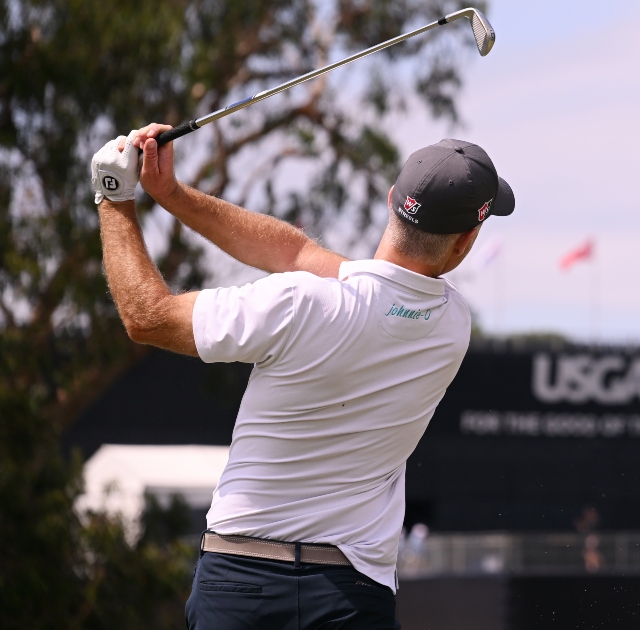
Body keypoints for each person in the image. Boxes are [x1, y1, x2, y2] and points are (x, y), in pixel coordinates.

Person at [89, 123, 515, 629]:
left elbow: (148, 317)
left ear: (391, 200)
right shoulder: (451, 324)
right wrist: (173, 195)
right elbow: (295, 254)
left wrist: (115, 197)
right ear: (466, 241)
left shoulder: (299, 303)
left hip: (237, 583)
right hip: (350, 596)